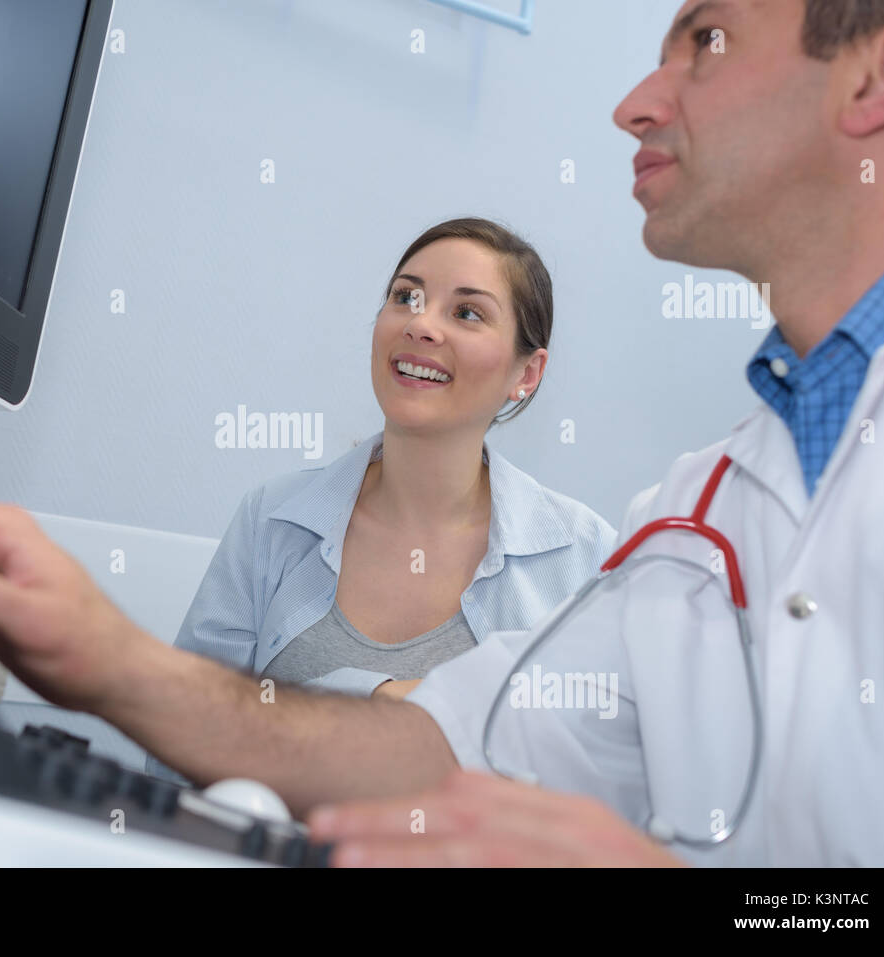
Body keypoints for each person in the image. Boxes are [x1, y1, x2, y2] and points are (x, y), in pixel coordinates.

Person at [0, 0, 884, 866]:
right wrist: (106, 658)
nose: (635, 105)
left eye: (705, 41)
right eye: (407, 297)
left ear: (878, 75)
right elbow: (443, 749)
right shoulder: (688, 520)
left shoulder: (604, 535)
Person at [161, 217, 615, 707]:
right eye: (406, 298)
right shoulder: (271, 517)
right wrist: (386, 702)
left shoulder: (586, 558)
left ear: (527, 372)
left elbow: (593, 762)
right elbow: (185, 730)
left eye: (467, 313)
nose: (420, 325)